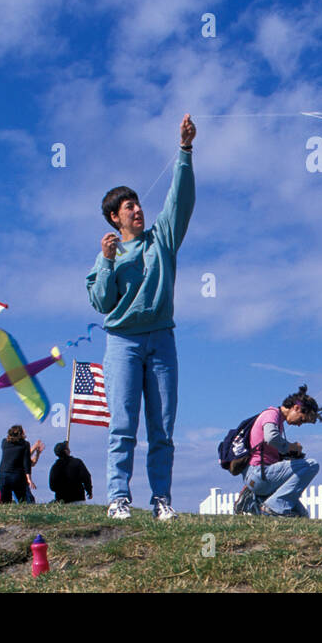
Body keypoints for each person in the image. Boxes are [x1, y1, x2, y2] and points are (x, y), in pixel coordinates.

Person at [88, 114, 196, 521]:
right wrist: (106, 261)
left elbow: (179, 201)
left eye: (137, 203)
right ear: (115, 217)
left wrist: (184, 151)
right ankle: (118, 498)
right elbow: (101, 302)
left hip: (162, 340)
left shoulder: (162, 239)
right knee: (123, 425)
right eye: (128, 206)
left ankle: (161, 500)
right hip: (122, 344)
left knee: (162, 429)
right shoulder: (108, 256)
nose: (137, 209)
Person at [242, 386, 322, 517]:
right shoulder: (271, 414)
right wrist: (292, 447)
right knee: (311, 465)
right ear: (296, 408)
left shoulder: (278, 420)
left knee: (301, 516)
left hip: (261, 475)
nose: (299, 425)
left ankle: (255, 501)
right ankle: (272, 507)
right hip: (258, 473)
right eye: (302, 419)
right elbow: (271, 437)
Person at [0, 425, 40, 504]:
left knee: (5, 502)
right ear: (20, 434)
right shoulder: (25, 444)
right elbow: (26, 462)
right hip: (17, 476)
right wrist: (29, 479)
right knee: (22, 501)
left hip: (3, 475)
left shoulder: (4, 442)